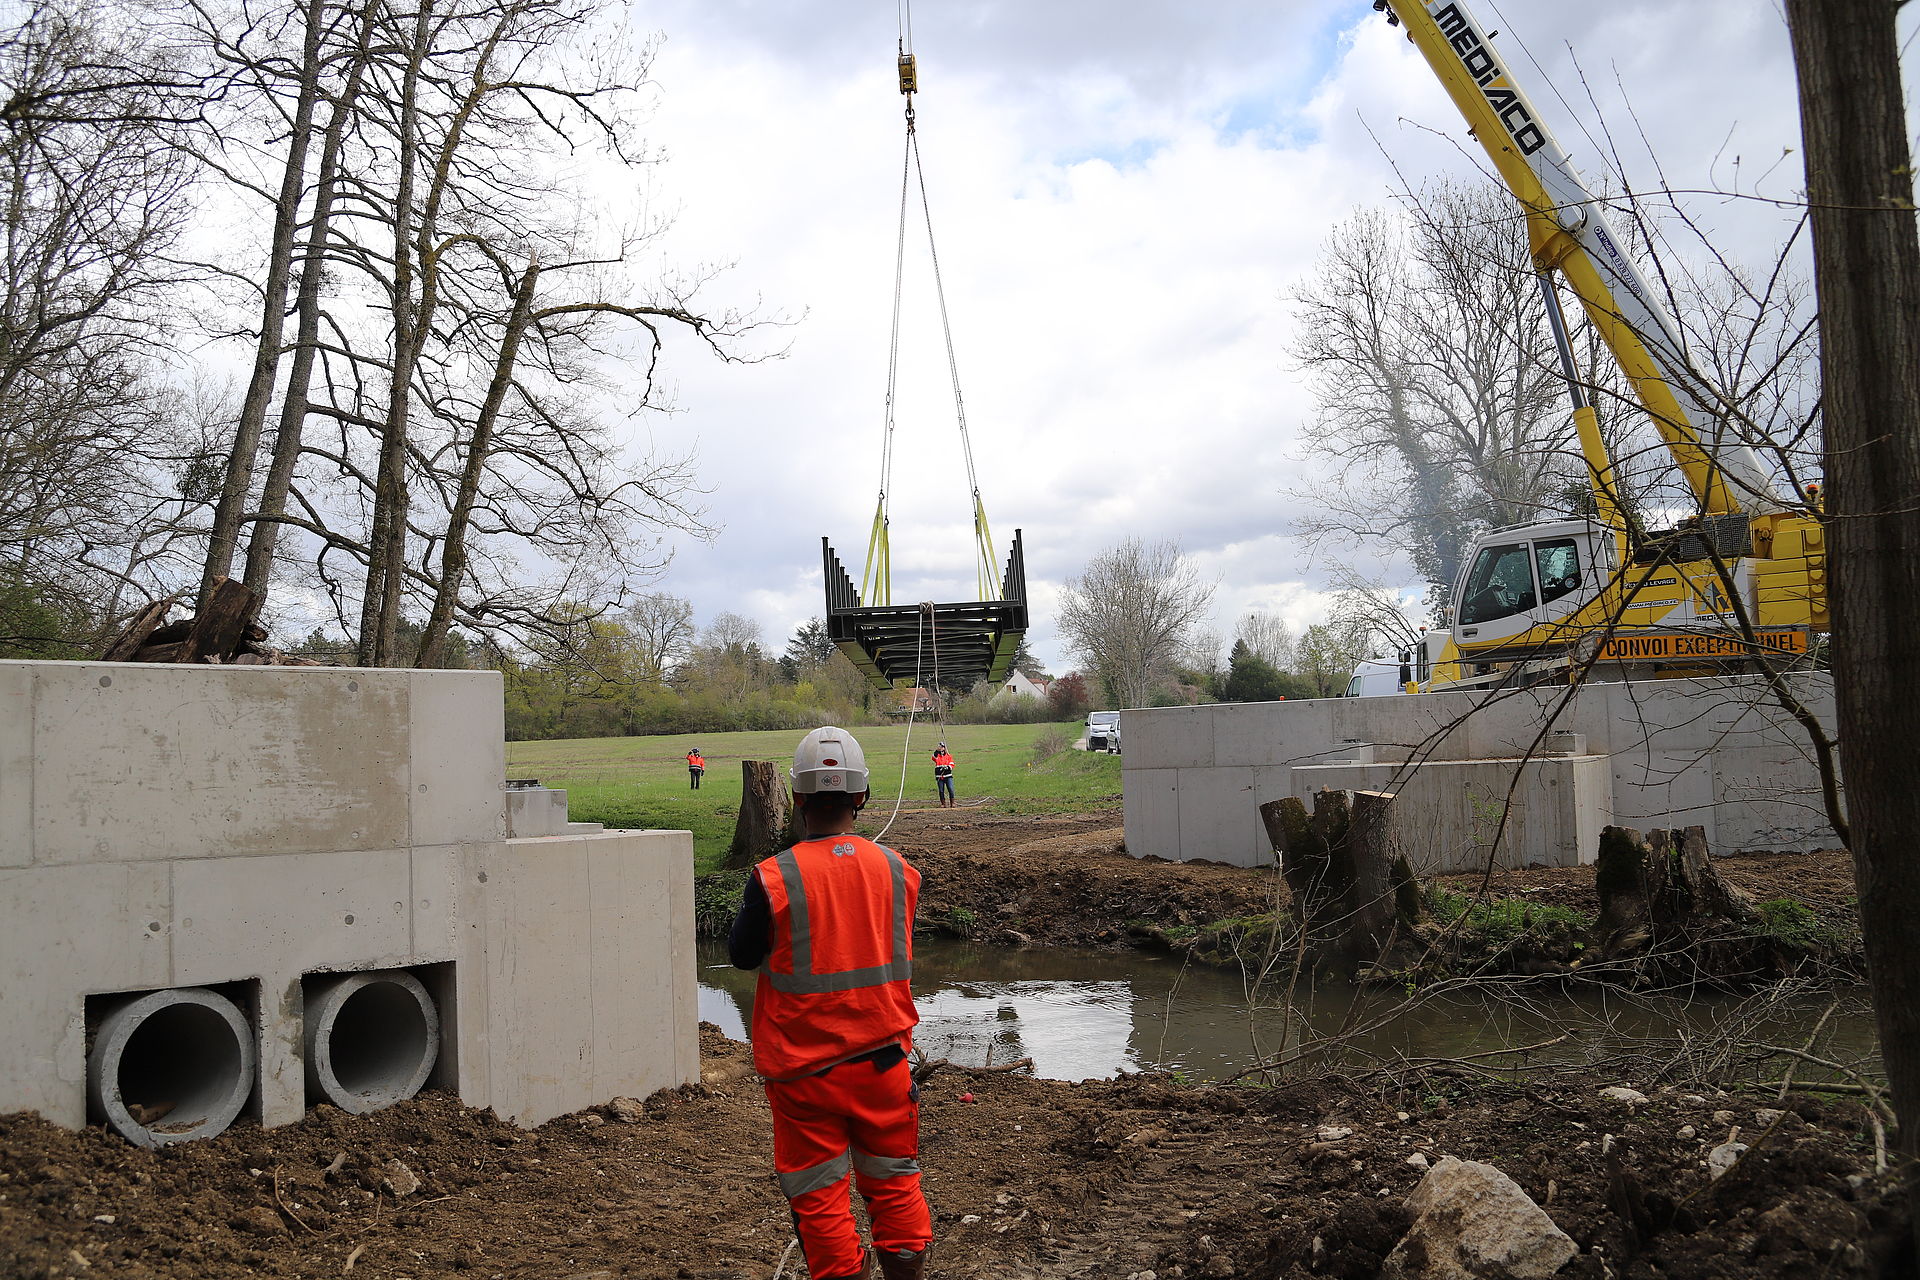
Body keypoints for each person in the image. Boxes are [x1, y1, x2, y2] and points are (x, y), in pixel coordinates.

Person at [730, 728, 931, 1280]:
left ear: (795, 798)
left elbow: (744, 956)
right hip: (884, 1065)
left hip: (805, 1073)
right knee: (894, 1182)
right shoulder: (898, 871)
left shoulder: (773, 878)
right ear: (860, 797)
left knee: (819, 1197)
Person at [930, 742, 956, 808]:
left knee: (951, 789)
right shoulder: (937, 756)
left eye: (942, 747)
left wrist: (947, 767)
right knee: (941, 790)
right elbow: (933, 757)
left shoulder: (948, 756)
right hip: (939, 776)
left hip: (948, 776)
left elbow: (952, 764)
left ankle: (952, 803)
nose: (941, 748)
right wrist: (937, 750)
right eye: (940, 747)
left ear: (944, 748)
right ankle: (943, 804)